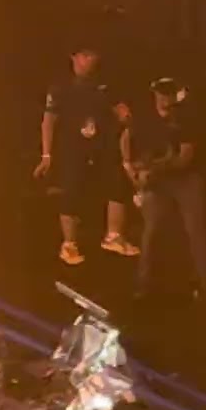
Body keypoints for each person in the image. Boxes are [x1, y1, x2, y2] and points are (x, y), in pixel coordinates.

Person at [32, 44, 139, 265]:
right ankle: (69, 244)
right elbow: (48, 121)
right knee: (71, 191)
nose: (89, 61)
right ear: (74, 57)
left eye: (93, 56)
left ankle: (114, 236)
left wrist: (124, 115)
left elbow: (120, 111)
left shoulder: (105, 85)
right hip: (71, 148)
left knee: (118, 184)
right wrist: (46, 155)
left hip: (102, 147)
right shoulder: (61, 86)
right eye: (85, 56)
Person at [125, 78, 206, 296]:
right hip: (157, 180)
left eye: (168, 93)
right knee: (152, 230)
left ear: (175, 95)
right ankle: (144, 285)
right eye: (160, 93)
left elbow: (184, 158)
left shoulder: (186, 119)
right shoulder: (145, 119)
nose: (164, 98)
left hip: (185, 179)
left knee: (195, 230)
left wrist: (152, 169)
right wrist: (128, 165)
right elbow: (126, 137)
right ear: (154, 94)